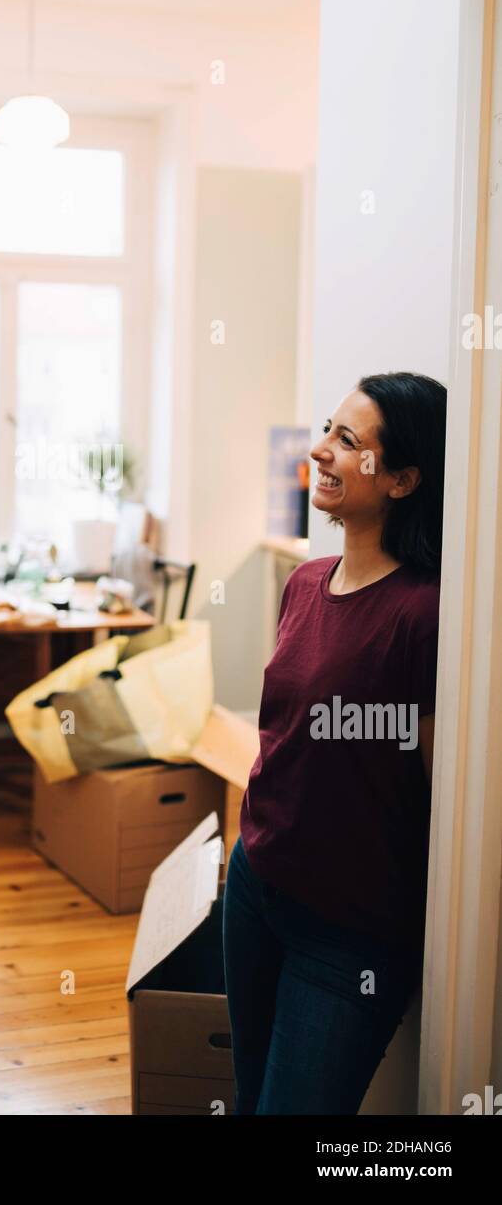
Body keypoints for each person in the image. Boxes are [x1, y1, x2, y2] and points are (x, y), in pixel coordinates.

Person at [223, 371, 445, 1115]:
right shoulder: (306, 583)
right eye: (328, 429)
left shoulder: (425, 614)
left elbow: (444, 798)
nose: (320, 450)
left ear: (405, 478)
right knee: (250, 1093)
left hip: (348, 936)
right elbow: (281, 741)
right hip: (256, 886)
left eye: (348, 442)